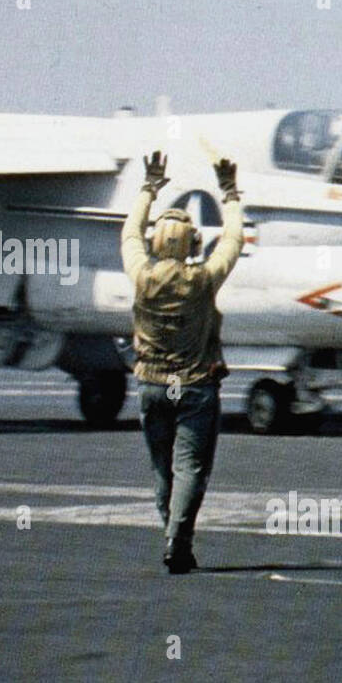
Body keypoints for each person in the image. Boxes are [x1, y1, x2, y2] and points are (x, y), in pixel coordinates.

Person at [120, 150, 245, 573]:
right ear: (192, 243)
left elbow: (129, 234)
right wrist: (229, 192)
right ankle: (179, 539)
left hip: (152, 385)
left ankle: (173, 536)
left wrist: (148, 189)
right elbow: (233, 241)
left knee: (162, 469)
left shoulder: (142, 276)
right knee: (191, 467)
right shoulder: (204, 280)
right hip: (195, 387)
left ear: (157, 242)